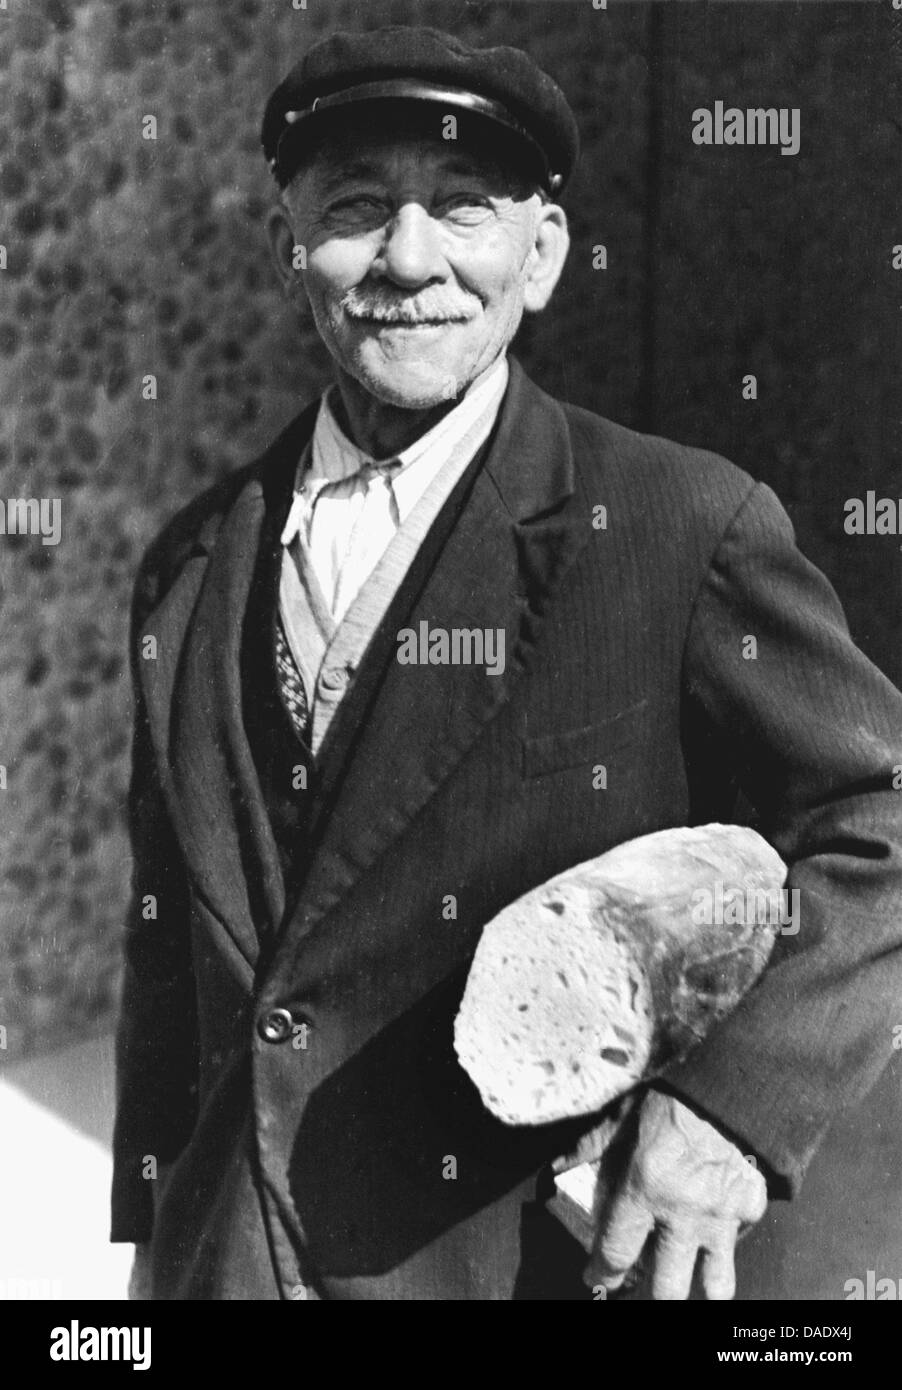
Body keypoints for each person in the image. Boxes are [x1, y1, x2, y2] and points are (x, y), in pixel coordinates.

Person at [110, 24, 902, 1301]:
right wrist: (153, 1244)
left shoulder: (675, 524)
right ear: (287, 250)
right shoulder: (187, 563)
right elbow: (168, 956)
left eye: (461, 210)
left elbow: (880, 815)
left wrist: (732, 1111)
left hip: (507, 1268)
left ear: (538, 260)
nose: (408, 261)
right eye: (356, 209)